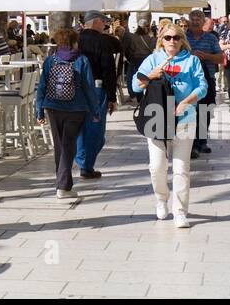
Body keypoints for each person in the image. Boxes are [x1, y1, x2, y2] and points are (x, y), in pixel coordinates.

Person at [131, 21, 207, 228]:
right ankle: (161, 199)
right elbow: (135, 86)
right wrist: (150, 76)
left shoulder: (192, 61)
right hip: (157, 119)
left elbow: (203, 87)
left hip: (185, 119)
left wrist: (185, 102)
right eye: (168, 37)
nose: (172, 41)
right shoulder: (153, 59)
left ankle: (180, 211)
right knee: (157, 167)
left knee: (182, 169)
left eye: (176, 37)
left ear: (182, 41)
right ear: (161, 40)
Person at [36, 27, 101, 198]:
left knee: (60, 146)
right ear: (74, 42)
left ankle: (62, 184)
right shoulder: (82, 60)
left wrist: (39, 111)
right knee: (68, 145)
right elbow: (89, 88)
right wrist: (95, 110)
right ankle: (63, 187)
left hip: (53, 107)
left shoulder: (50, 60)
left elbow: (42, 86)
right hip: (76, 109)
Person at [75, 11, 121, 179]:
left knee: (80, 128)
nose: (105, 25)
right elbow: (109, 69)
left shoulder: (76, 40)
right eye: (103, 21)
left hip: (77, 90)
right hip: (96, 89)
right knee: (95, 130)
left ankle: (81, 161)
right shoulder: (102, 42)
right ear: (95, 22)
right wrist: (111, 97)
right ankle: (86, 166)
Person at [183, 10, 223, 157]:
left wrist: (205, 56)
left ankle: (202, 141)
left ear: (203, 21)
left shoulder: (211, 38)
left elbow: (221, 58)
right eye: (192, 19)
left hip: (207, 80)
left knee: (205, 111)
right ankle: (191, 144)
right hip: (187, 81)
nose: (195, 22)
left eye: (198, 19)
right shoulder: (183, 38)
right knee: (189, 111)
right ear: (189, 20)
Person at [123, 21, 156, 102]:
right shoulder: (150, 37)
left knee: (134, 77)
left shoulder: (133, 37)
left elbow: (131, 49)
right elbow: (153, 48)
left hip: (135, 59)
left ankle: (136, 95)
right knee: (146, 78)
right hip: (146, 59)